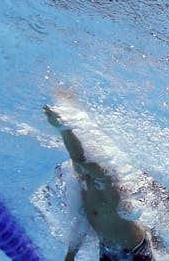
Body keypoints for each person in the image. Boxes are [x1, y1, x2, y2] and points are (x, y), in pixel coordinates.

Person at [44, 105, 154, 261]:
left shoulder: (112, 191)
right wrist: (70, 255)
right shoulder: (82, 187)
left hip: (133, 249)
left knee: (79, 160)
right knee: (78, 159)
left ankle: (64, 127)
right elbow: (82, 222)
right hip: (109, 250)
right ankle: (63, 127)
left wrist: (83, 166)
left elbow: (105, 177)